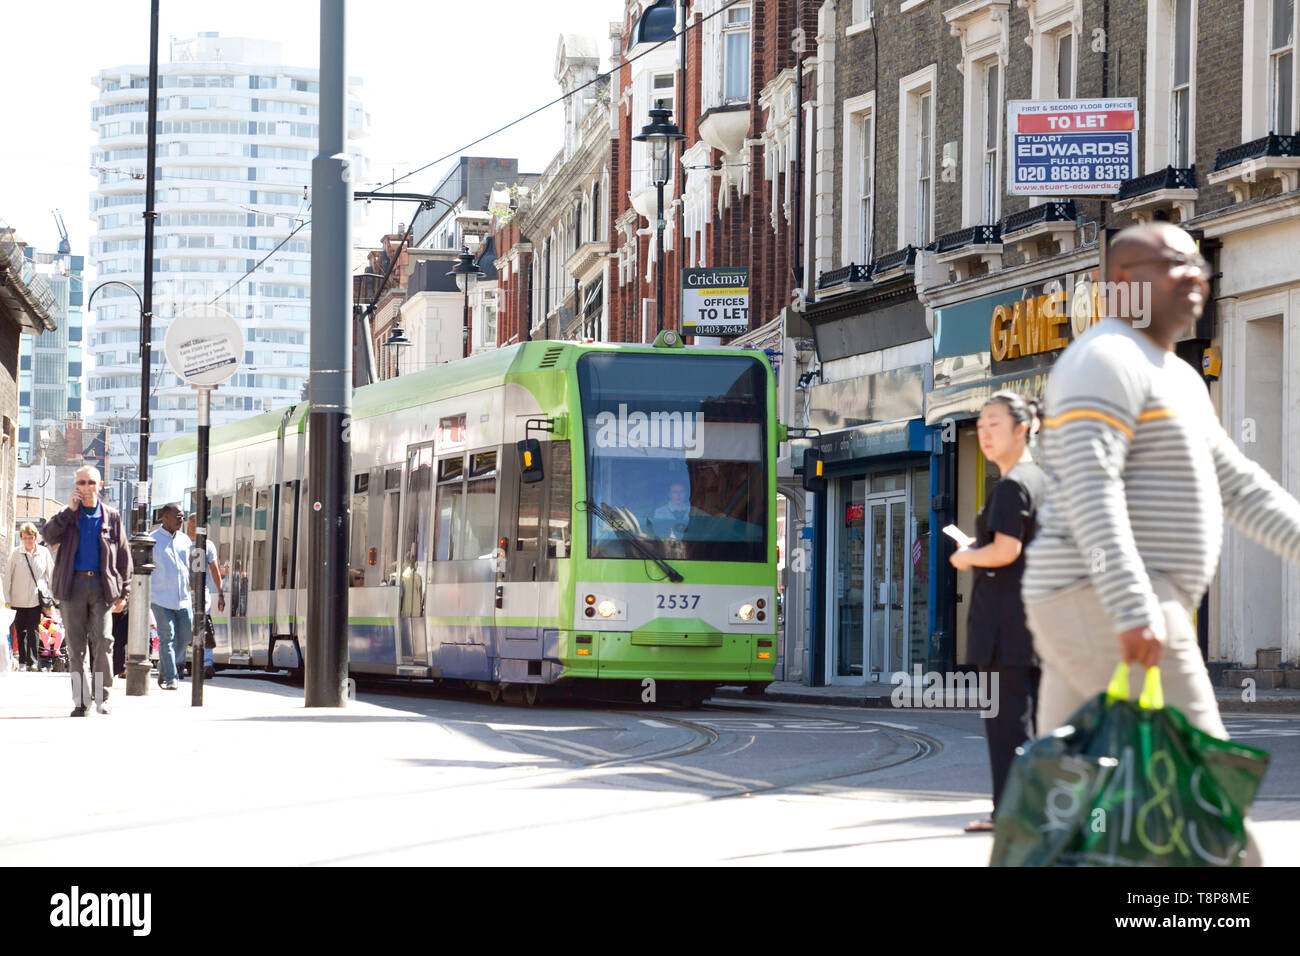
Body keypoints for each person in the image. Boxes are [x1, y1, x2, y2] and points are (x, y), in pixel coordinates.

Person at [1023, 222, 1300, 760]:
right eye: (1176, 264)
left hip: (1096, 598)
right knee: (1202, 775)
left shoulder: (1177, 376)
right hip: (1107, 596)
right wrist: (1132, 606)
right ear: (1125, 280)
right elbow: (1089, 488)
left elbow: (1239, 487)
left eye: (1198, 264)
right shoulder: (1105, 360)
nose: (1195, 275)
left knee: (1066, 785)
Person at [948, 392, 1047, 832]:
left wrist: (968, 556)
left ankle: (1011, 813)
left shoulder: (1011, 486)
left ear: (1022, 429)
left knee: (1008, 728)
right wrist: (982, 547)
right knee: (1032, 722)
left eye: (995, 424)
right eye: (981, 425)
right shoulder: (1040, 480)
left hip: (1005, 629)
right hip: (1034, 623)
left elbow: (1007, 551)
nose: (985, 434)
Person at [40, 465, 131, 716]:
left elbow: (124, 556)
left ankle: (101, 697)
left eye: (91, 482)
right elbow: (48, 536)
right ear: (76, 486)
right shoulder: (68, 515)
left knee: (103, 640)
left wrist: (124, 593)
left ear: (99, 486)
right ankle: (81, 701)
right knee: (75, 647)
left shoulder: (111, 516)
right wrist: (68, 511)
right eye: (81, 483)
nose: (86, 487)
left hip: (102, 587)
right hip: (72, 586)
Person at [150, 504, 193, 690]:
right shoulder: (152, 540)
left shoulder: (185, 540)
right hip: (160, 598)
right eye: (178, 516)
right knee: (167, 637)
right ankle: (170, 677)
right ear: (165, 517)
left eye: (182, 516)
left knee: (186, 636)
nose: (181, 519)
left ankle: (164, 666)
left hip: (183, 598)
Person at [5, 522, 55, 672]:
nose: (28, 540)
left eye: (31, 537)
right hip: (17, 599)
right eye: (26, 537)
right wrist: (6, 599)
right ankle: (22, 661)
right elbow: (7, 577)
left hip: (35, 599)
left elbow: (51, 575)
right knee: (20, 631)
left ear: (36, 537)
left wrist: (52, 597)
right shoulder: (15, 553)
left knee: (34, 630)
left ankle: (32, 662)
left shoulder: (44, 552)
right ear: (21, 538)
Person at [185, 513, 224, 677]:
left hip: (202, 592)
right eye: (192, 521)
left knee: (203, 624)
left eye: (198, 521)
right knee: (184, 624)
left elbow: (214, 570)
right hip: (183, 592)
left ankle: (207, 663)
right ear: (188, 524)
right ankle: (181, 661)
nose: (195, 525)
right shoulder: (181, 542)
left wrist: (220, 593)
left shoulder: (208, 545)